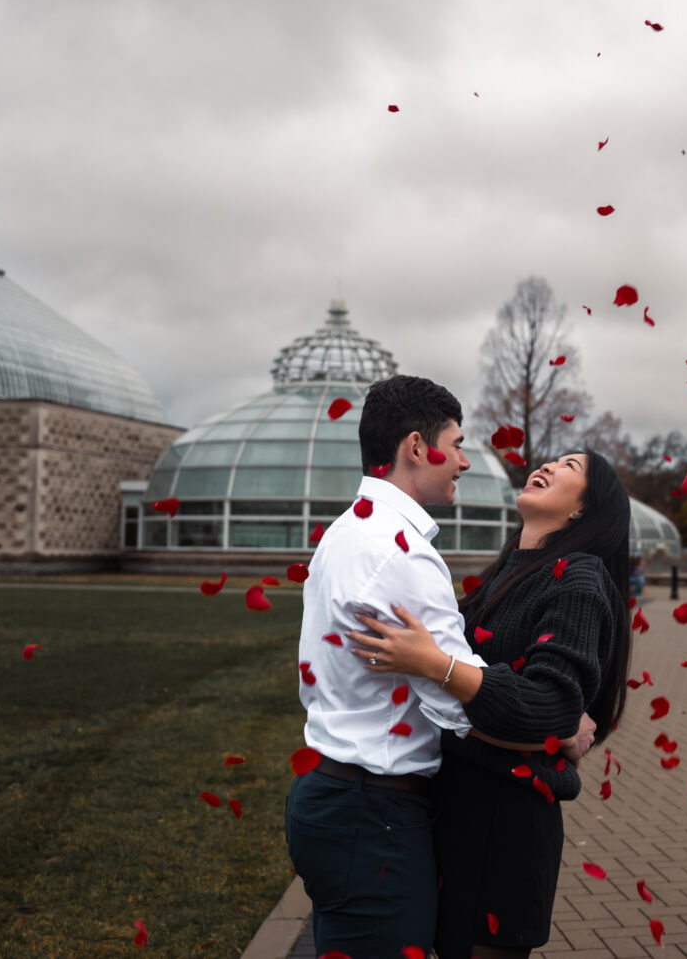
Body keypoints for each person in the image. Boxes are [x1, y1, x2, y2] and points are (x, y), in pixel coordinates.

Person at [350, 449, 633, 959]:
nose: (546, 466)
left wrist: (434, 664)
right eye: (552, 460)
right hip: (455, 810)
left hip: (507, 827)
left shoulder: (580, 578)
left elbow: (547, 704)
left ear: (584, 511)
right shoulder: (508, 570)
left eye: (570, 467)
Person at [286, 374, 489, 958]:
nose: (465, 460)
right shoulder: (399, 553)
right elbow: (457, 703)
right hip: (371, 815)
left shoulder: (350, 530)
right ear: (418, 448)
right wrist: (551, 727)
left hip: (337, 797)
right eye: (457, 443)